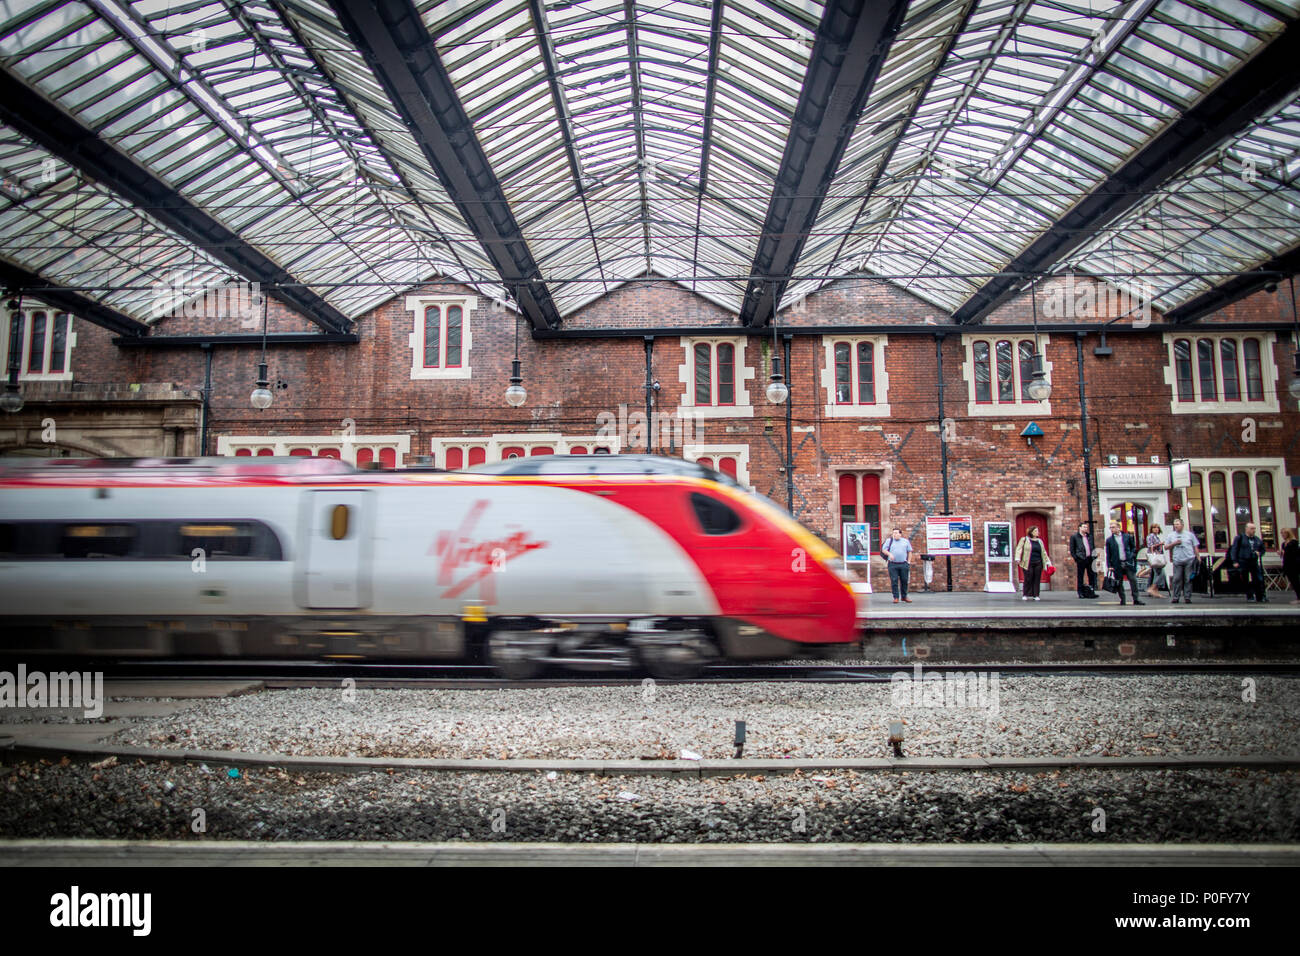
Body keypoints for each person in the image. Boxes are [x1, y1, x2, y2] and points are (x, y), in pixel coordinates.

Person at [1105, 520, 1144, 606]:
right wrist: (1109, 565)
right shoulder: (1109, 540)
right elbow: (1108, 554)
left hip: (1128, 562)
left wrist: (1131, 555)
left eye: (1113, 527)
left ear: (1118, 528)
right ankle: (1123, 599)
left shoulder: (1127, 537)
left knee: (1133, 580)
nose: (1112, 529)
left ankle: (1136, 599)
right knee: (1119, 582)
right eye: (1110, 528)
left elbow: (1133, 547)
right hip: (1117, 563)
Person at [1163, 517, 1200, 605]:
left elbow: (1195, 546)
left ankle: (1187, 597)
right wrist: (1174, 543)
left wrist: (1198, 557)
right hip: (1177, 559)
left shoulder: (1190, 535)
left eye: (1177, 524)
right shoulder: (1171, 535)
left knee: (1188, 579)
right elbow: (1166, 547)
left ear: (1182, 525)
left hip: (1189, 559)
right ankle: (1176, 597)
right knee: (1176, 579)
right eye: (1174, 524)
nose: (1176, 526)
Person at [1230, 522, 1268, 604]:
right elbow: (1234, 549)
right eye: (1251, 529)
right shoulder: (1239, 538)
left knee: (1258, 579)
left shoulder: (1257, 539)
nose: (1253, 530)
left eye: (1254, 529)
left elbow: (1263, 549)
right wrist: (1235, 561)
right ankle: (1249, 596)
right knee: (1245, 579)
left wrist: (1260, 553)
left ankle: (1260, 596)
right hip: (1243, 561)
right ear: (1246, 529)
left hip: (1253, 561)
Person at [1014, 525, 1053, 601]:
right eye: (1036, 531)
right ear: (1031, 532)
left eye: (1038, 531)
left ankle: (1036, 595)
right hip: (1027, 562)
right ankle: (1025, 594)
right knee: (1028, 577)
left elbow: (1043, 552)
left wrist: (1048, 562)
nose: (1038, 532)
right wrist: (1017, 558)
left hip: (1038, 562)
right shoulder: (1024, 539)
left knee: (1037, 578)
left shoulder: (1040, 541)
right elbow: (1019, 548)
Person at [881, 527, 913, 604]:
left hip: (903, 564)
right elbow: (883, 550)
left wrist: (908, 562)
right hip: (892, 564)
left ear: (900, 534)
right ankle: (896, 597)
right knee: (894, 580)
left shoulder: (905, 541)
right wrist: (889, 554)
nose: (894, 534)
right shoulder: (889, 541)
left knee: (904, 581)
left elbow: (910, 552)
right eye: (893, 533)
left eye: (896, 533)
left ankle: (904, 597)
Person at [1069, 521, 1098, 598]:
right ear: (1080, 528)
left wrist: (1094, 556)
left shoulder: (1089, 536)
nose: (1086, 528)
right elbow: (1072, 549)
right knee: (1080, 576)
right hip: (1081, 559)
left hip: (1090, 558)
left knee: (1091, 576)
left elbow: (1092, 546)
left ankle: (1091, 592)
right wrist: (1076, 558)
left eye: (1086, 527)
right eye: (1084, 527)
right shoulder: (1075, 537)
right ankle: (1080, 592)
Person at [1144, 523, 1167, 599]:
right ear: (1151, 529)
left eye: (1157, 528)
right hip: (1155, 557)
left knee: (1155, 574)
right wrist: (1160, 544)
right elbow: (1150, 546)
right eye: (1154, 528)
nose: (1156, 529)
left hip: (1158, 557)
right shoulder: (1150, 536)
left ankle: (1155, 592)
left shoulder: (1156, 537)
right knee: (1160, 573)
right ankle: (1152, 588)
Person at [1281, 528, 1300, 605]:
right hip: (1287, 564)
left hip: (1294, 564)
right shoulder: (1283, 544)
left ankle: (1299, 598)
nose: (1282, 535)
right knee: (1293, 581)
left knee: (1296, 581)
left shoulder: (1293, 542)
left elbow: (1295, 553)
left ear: (1288, 533)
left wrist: (1285, 552)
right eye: (1281, 533)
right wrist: (1282, 553)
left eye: (1284, 533)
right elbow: (1285, 554)